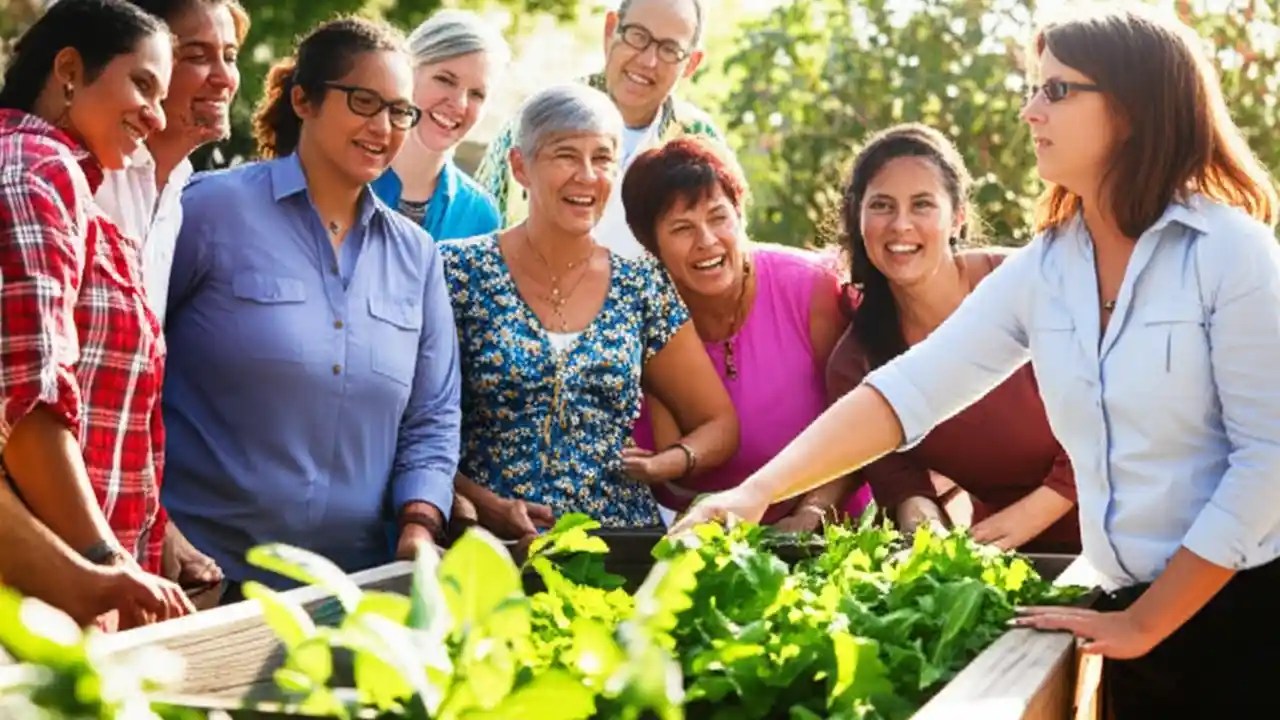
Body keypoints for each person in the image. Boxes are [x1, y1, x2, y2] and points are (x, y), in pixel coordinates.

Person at [672, 4, 1280, 717]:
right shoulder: (1048, 267)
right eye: (1033, 87)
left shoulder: (1229, 251)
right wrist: (752, 494)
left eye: (1057, 90)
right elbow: (912, 388)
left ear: (1133, 107)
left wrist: (1151, 620)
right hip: (1128, 618)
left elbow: (1267, 457)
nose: (1029, 111)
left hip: (1245, 616)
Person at [161, 16, 461, 598]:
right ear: (304, 100)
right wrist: (155, 522)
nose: (384, 127)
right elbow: (128, 369)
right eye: (364, 102)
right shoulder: (207, 211)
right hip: (200, 580)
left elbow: (433, 415)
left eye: (400, 111)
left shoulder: (417, 256)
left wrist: (419, 524)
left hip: (359, 589)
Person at [443, 84, 737, 538]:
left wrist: (668, 462)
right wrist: (483, 505)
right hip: (487, 548)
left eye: (602, 159)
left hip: (617, 548)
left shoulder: (641, 286)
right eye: (565, 156)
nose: (586, 175)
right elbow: (411, 429)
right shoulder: (456, 271)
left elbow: (717, 424)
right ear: (520, 167)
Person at [0, 0, 193, 628]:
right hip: (37, 600)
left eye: (163, 97)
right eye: (142, 83)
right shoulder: (34, 168)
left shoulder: (79, 194)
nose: (156, 115)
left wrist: (148, 542)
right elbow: (28, 400)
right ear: (69, 70)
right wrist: (101, 563)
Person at [825, 123, 1079, 553]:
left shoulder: (1028, 283)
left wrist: (1025, 519)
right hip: (1012, 557)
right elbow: (902, 484)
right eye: (882, 206)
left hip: (1137, 526)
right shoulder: (855, 364)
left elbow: (1119, 416)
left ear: (957, 215)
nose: (900, 225)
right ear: (858, 216)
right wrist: (933, 541)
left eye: (922, 204)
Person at [621, 136, 870, 531]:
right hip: (706, 540)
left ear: (739, 216)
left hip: (829, 530)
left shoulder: (811, 290)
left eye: (718, 217)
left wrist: (811, 515)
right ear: (652, 245)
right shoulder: (640, 317)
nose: (706, 241)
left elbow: (864, 419)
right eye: (682, 228)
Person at [93, 0, 250, 606]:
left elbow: (134, 392)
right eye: (196, 56)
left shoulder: (180, 187)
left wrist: (159, 527)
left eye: (229, 57)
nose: (224, 76)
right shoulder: (88, 177)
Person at [475, 0, 724, 259]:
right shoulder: (539, 118)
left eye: (670, 49)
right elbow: (481, 227)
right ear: (610, 30)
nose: (648, 61)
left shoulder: (699, 141)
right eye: (637, 36)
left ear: (692, 63)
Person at [369, 9, 507, 241]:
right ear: (406, 73)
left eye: (477, 94)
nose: (459, 104)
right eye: (445, 80)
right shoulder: (344, 178)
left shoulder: (480, 216)